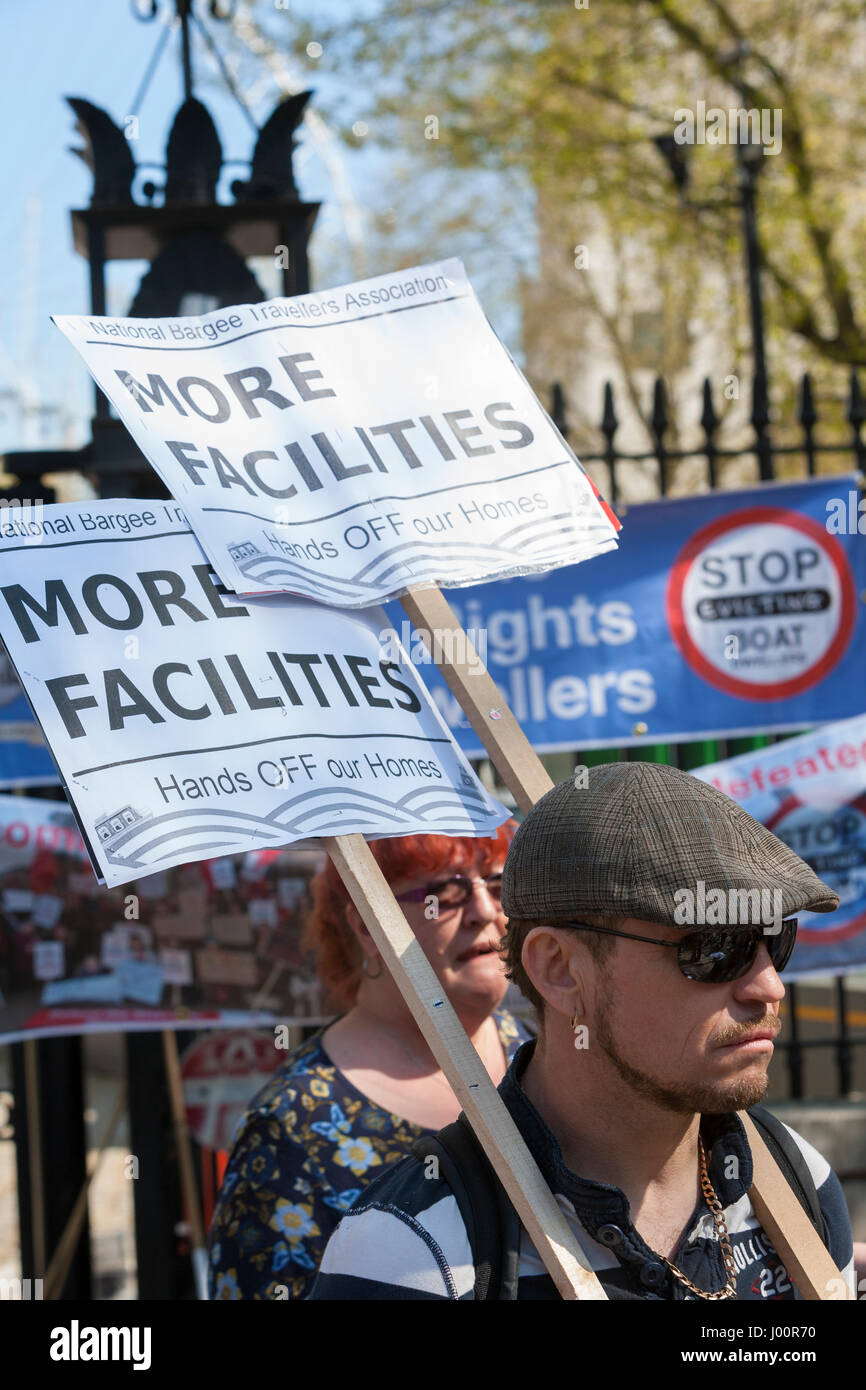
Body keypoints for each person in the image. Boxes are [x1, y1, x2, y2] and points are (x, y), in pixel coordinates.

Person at [308, 762, 856, 1301]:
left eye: (775, 940)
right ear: (560, 969)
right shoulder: (418, 1252)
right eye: (715, 947)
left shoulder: (796, 1182)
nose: (768, 987)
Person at [208, 823, 530, 1299]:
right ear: (366, 924)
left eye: (498, 883)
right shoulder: (290, 1127)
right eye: (444, 891)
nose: (486, 912)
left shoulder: (537, 1052)